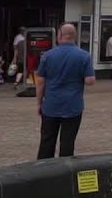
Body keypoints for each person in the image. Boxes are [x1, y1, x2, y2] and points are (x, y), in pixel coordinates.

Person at [35, 23, 96, 160]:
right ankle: (65, 171)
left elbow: (40, 81)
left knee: (47, 140)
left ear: (60, 36)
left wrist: (39, 103)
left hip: (51, 105)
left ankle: (42, 170)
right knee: (68, 141)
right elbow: (90, 81)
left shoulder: (48, 55)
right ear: (75, 36)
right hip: (73, 105)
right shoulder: (84, 56)